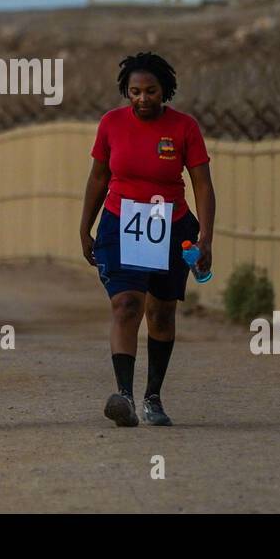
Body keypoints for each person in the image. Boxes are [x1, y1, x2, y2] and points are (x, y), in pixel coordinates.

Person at [79, 52, 215, 427]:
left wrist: (206, 238)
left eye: (150, 91)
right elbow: (97, 177)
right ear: (126, 91)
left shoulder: (184, 128)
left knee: (160, 311)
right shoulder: (111, 124)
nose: (142, 99)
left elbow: (203, 184)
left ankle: (153, 396)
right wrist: (84, 226)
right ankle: (123, 395)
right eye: (134, 92)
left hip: (172, 226)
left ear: (164, 91)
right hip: (121, 223)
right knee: (125, 304)